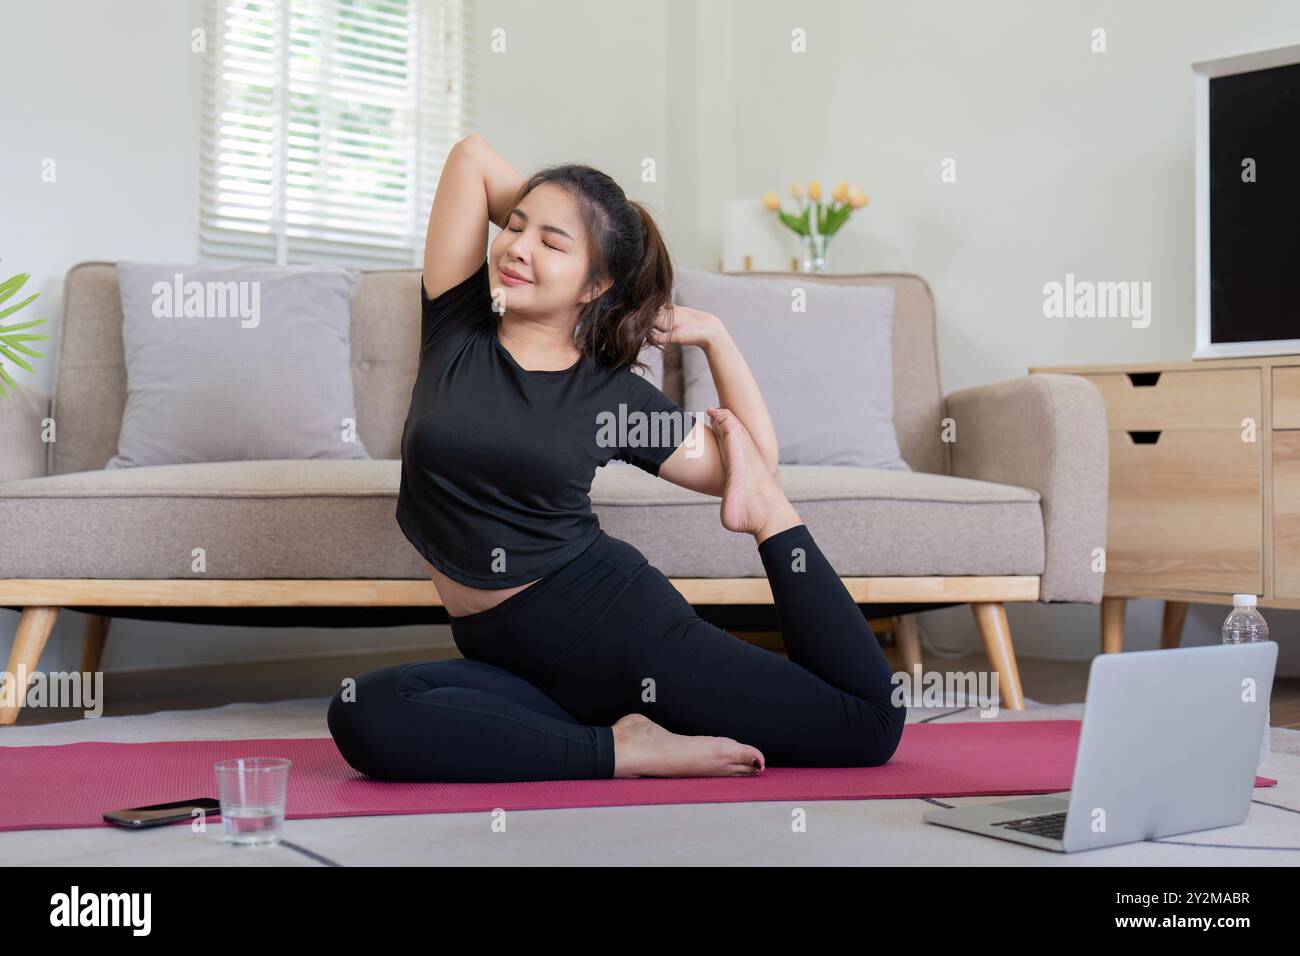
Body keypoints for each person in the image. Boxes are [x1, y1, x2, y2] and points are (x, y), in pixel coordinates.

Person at [326, 133, 906, 782]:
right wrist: (563, 219)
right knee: (365, 713)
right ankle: (619, 747)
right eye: (514, 227)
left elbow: (750, 466)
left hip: (623, 640)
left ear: (596, 282)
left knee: (870, 727)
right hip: (515, 664)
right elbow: (469, 158)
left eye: (552, 244)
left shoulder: (608, 393)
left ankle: (770, 534)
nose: (517, 246)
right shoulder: (457, 324)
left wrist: (717, 338)